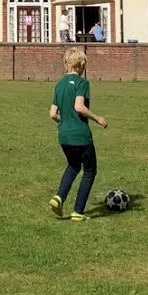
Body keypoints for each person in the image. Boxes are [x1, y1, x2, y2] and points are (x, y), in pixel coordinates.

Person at [48, 47, 108, 221]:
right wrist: (98, 119)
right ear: (81, 65)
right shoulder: (83, 83)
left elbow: (52, 113)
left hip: (64, 136)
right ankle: (78, 211)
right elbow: (79, 107)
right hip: (80, 136)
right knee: (90, 171)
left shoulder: (59, 85)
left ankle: (59, 197)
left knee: (73, 166)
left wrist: (64, 121)